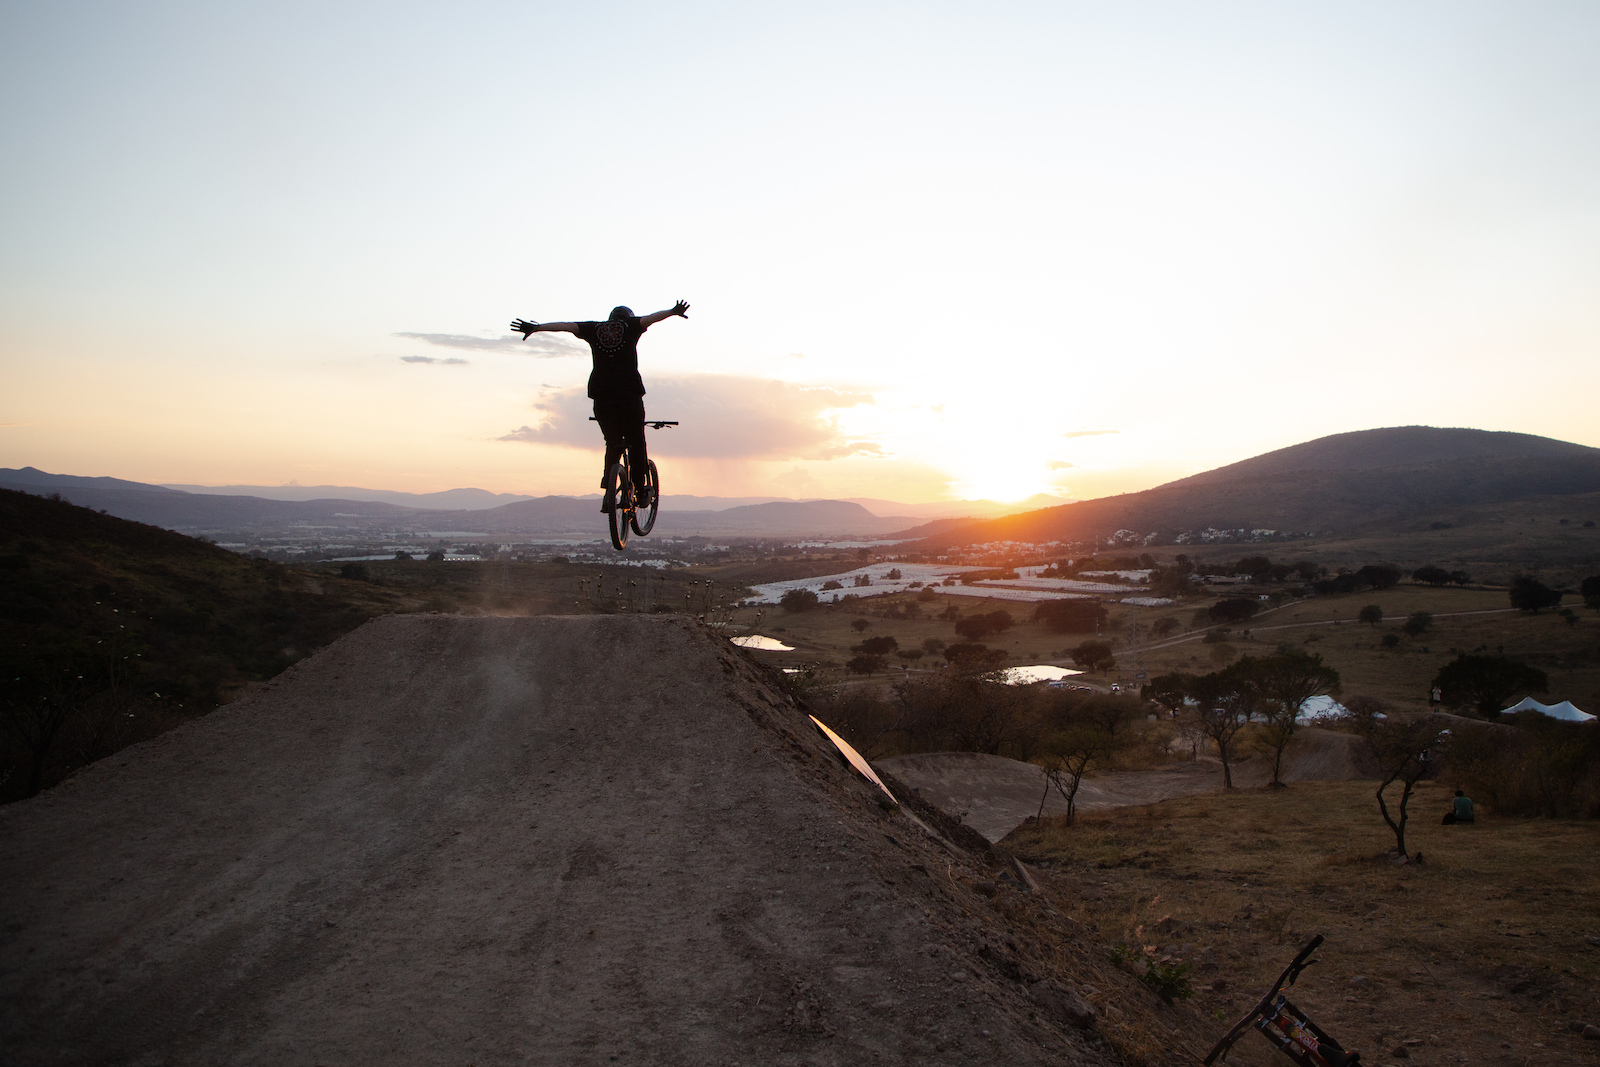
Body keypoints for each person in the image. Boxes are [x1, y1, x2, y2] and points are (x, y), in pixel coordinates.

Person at [510, 301, 688, 511]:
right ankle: (640, 490)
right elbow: (651, 318)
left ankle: (608, 491)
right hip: (629, 394)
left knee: (613, 442)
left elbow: (566, 326)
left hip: (601, 396)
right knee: (636, 441)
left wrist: (537, 327)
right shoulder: (630, 326)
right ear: (627, 317)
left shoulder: (594, 328)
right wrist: (672, 312)